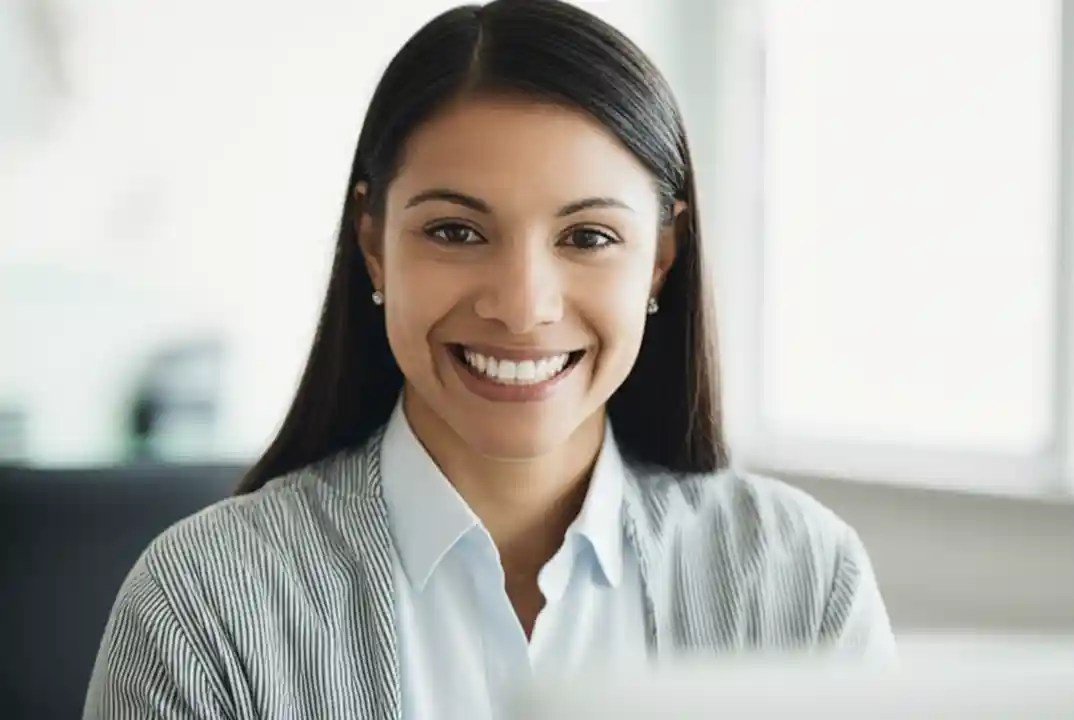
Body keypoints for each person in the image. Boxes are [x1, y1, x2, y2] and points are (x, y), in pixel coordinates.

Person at [84, 1, 894, 717]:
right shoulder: (202, 604)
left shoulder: (801, 579)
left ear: (660, 258)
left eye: (588, 238)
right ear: (373, 244)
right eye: (456, 232)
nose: (521, 304)